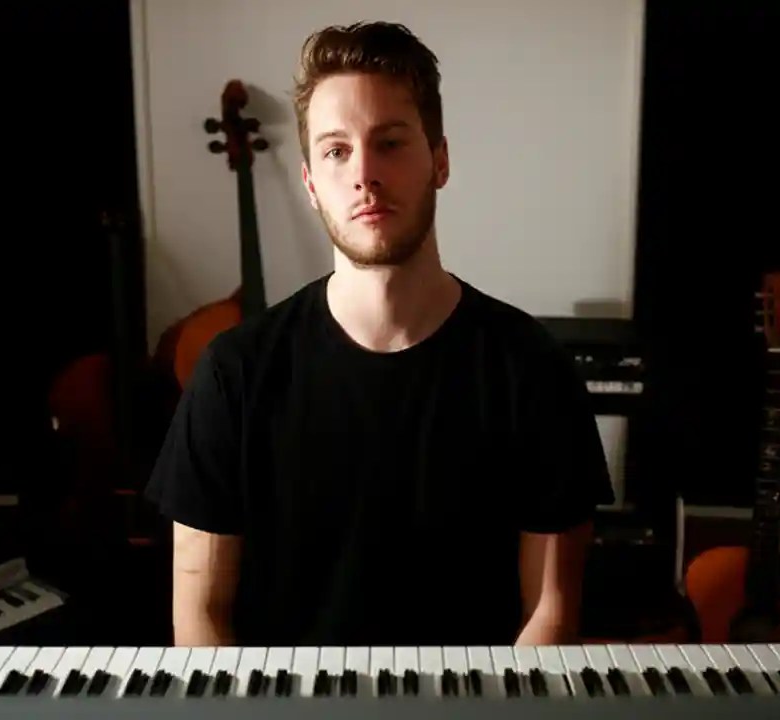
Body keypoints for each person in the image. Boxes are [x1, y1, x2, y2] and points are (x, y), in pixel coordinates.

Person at [144, 21, 613, 649]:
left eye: (390, 142)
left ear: (440, 160)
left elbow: (549, 619)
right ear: (311, 184)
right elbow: (200, 622)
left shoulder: (532, 369)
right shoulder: (233, 373)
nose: (364, 172)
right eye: (336, 150)